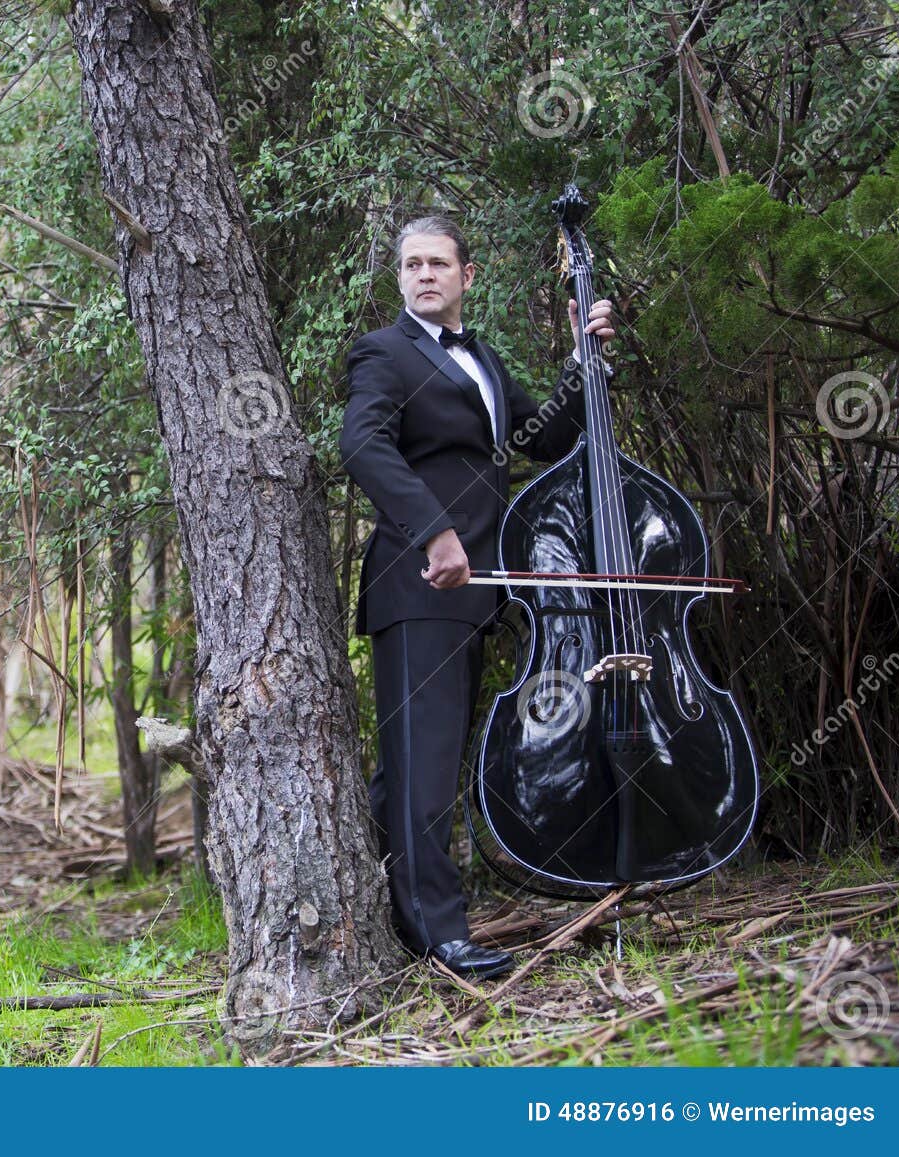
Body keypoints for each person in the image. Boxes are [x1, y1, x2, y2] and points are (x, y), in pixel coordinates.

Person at [338, 215, 616, 980]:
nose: (423, 274)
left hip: (471, 594)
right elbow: (361, 443)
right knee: (423, 767)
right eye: (411, 264)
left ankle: (397, 919)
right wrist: (434, 532)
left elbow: (546, 439)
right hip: (417, 584)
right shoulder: (384, 352)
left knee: (414, 767)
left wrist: (583, 357)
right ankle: (441, 933)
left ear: (468, 275)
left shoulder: (484, 360)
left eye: (438, 263)